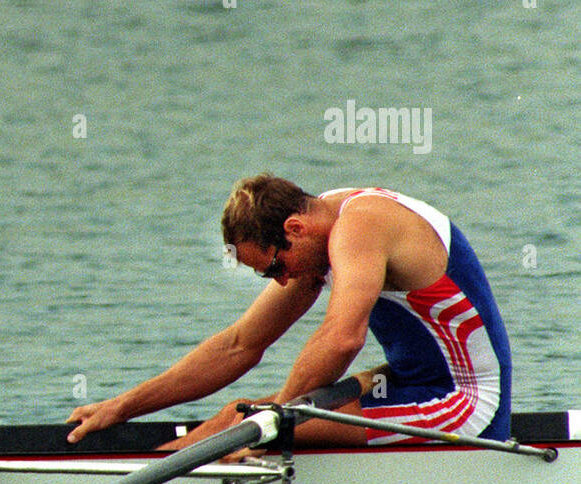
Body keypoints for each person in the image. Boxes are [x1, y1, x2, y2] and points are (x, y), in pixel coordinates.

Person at [66, 174, 511, 450]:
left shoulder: (362, 225)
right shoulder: (322, 223)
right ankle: (148, 476)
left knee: (244, 421)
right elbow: (240, 344)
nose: (280, 281)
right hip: (404, 382)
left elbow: (342, 338)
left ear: (294, 229)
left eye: (275, 267)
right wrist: (121, 407)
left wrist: (273, 419)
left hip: (465, 405)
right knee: (236, 417)